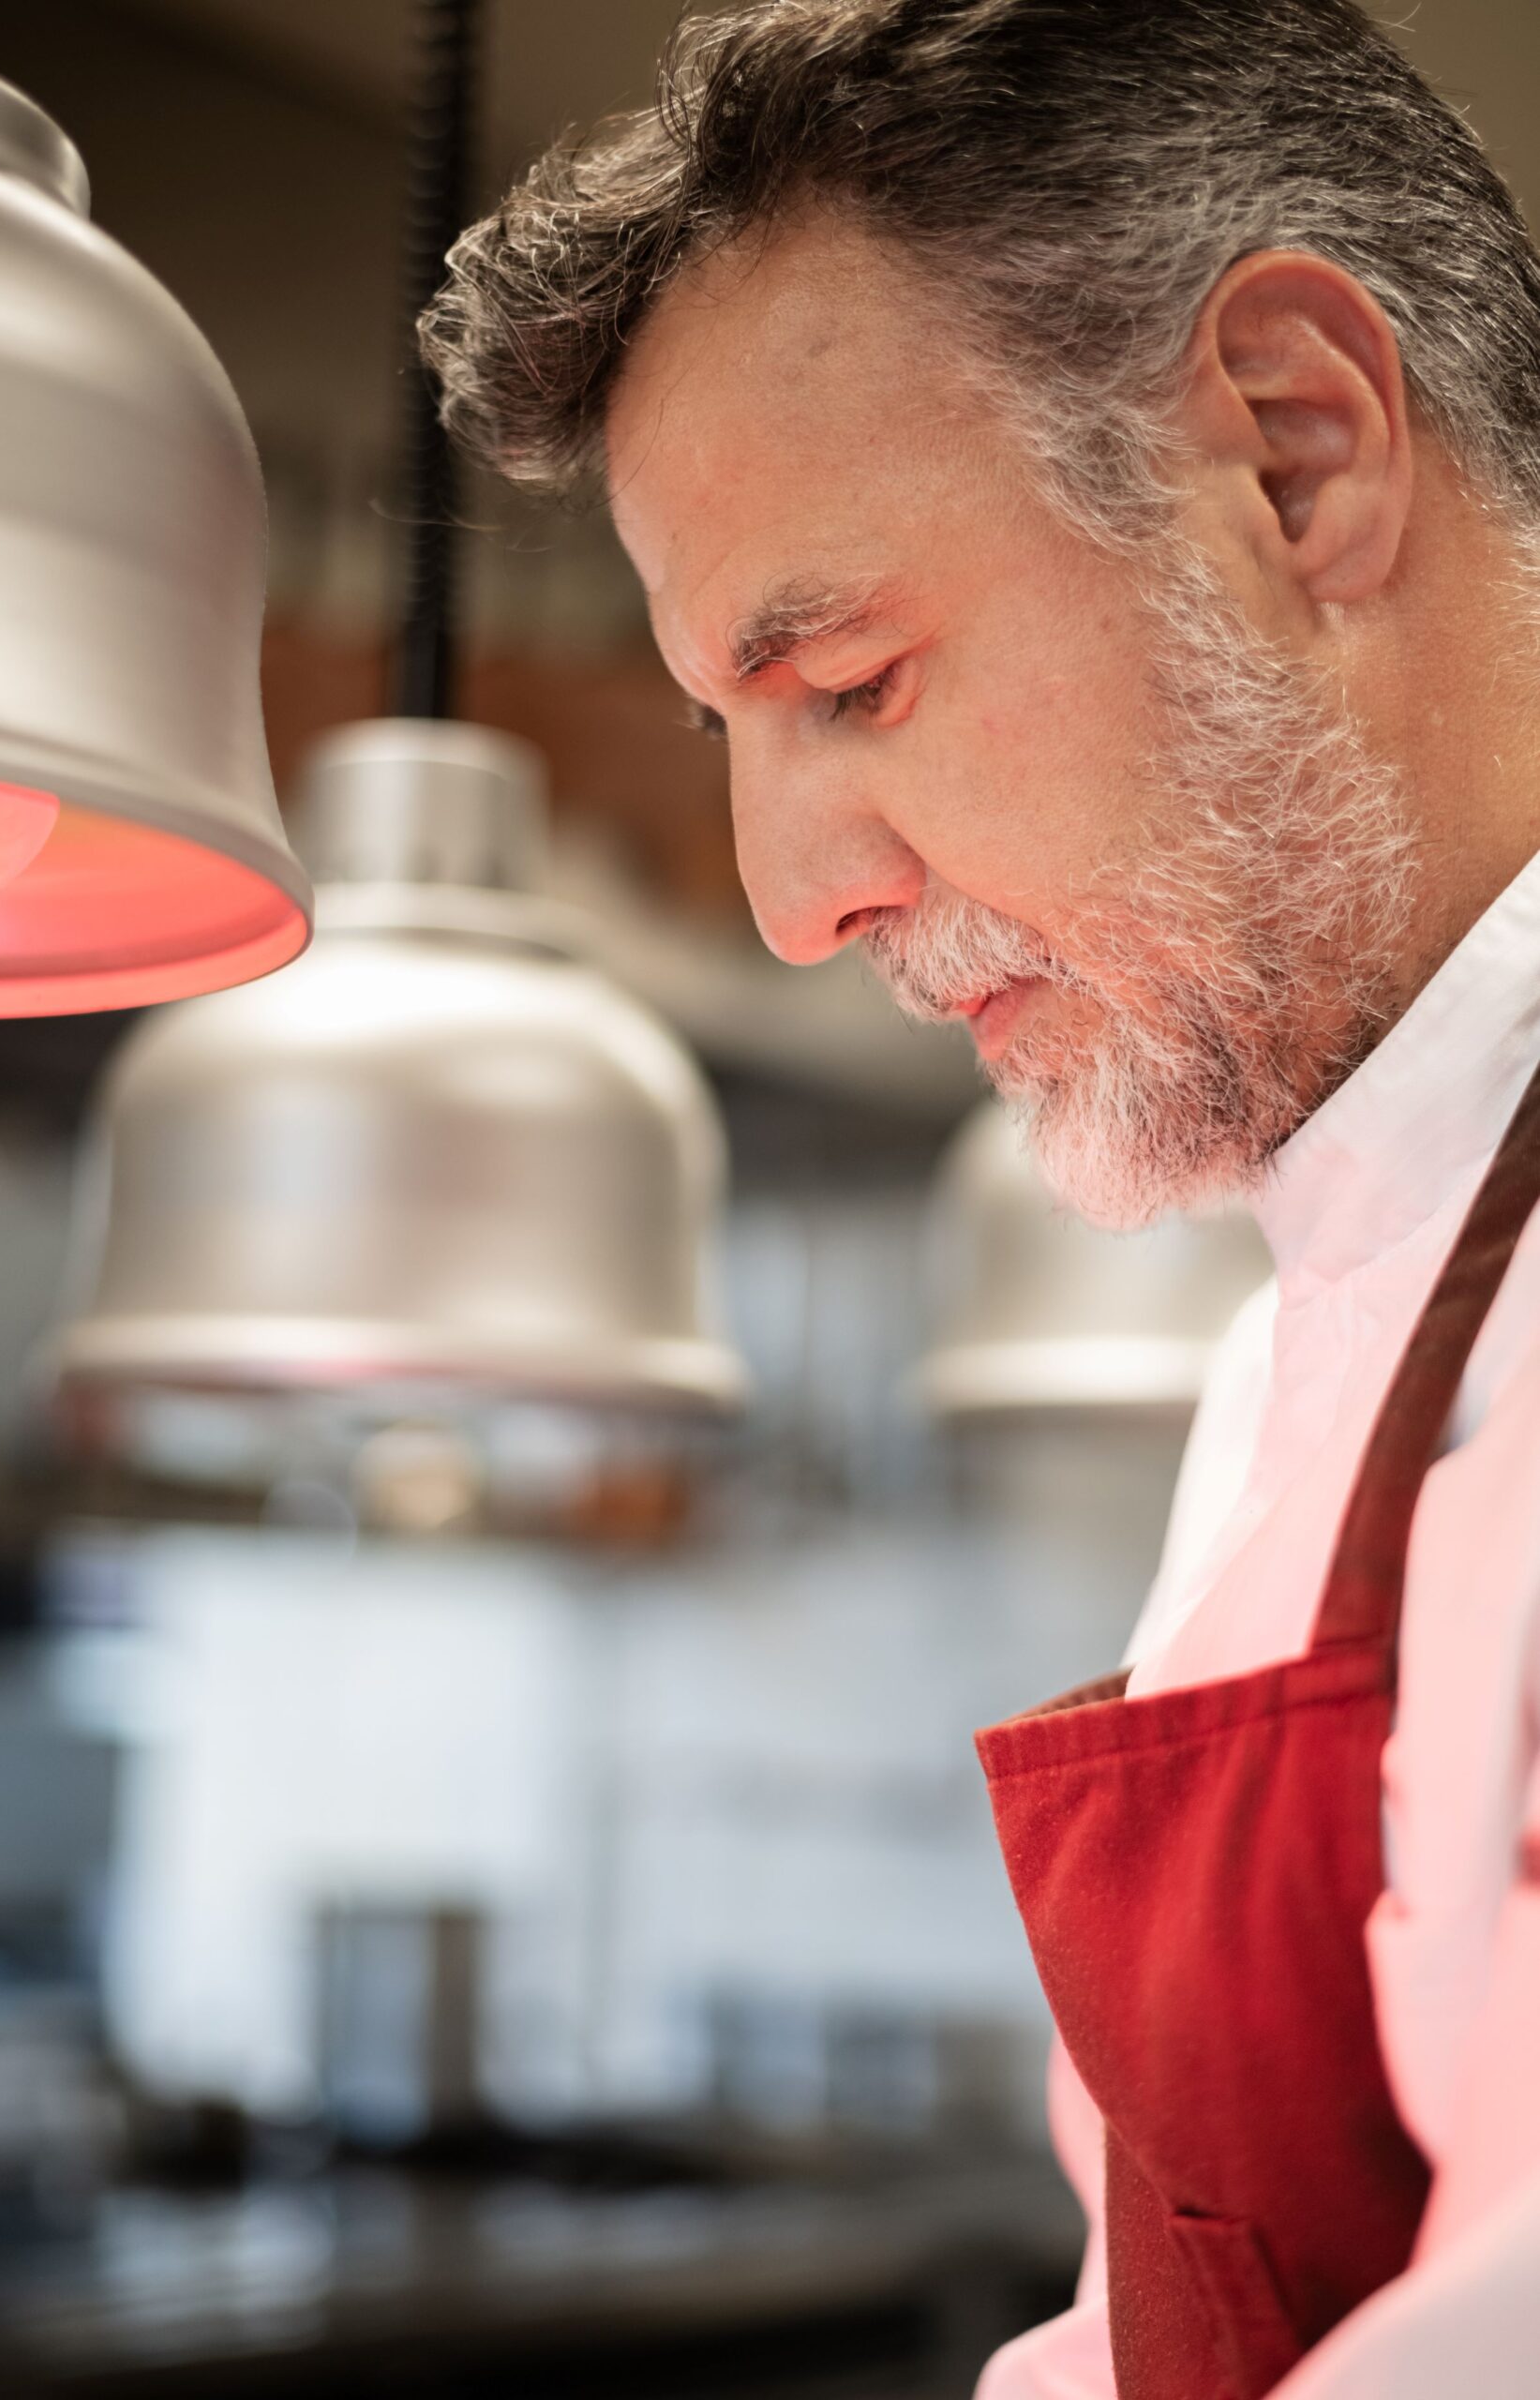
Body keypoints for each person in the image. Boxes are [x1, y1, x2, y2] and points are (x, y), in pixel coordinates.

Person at [421, 2, 1540, 2391]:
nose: (780, 895)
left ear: (1293, 454)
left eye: (845, 678)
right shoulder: (1287, 1358)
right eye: (732, 735)